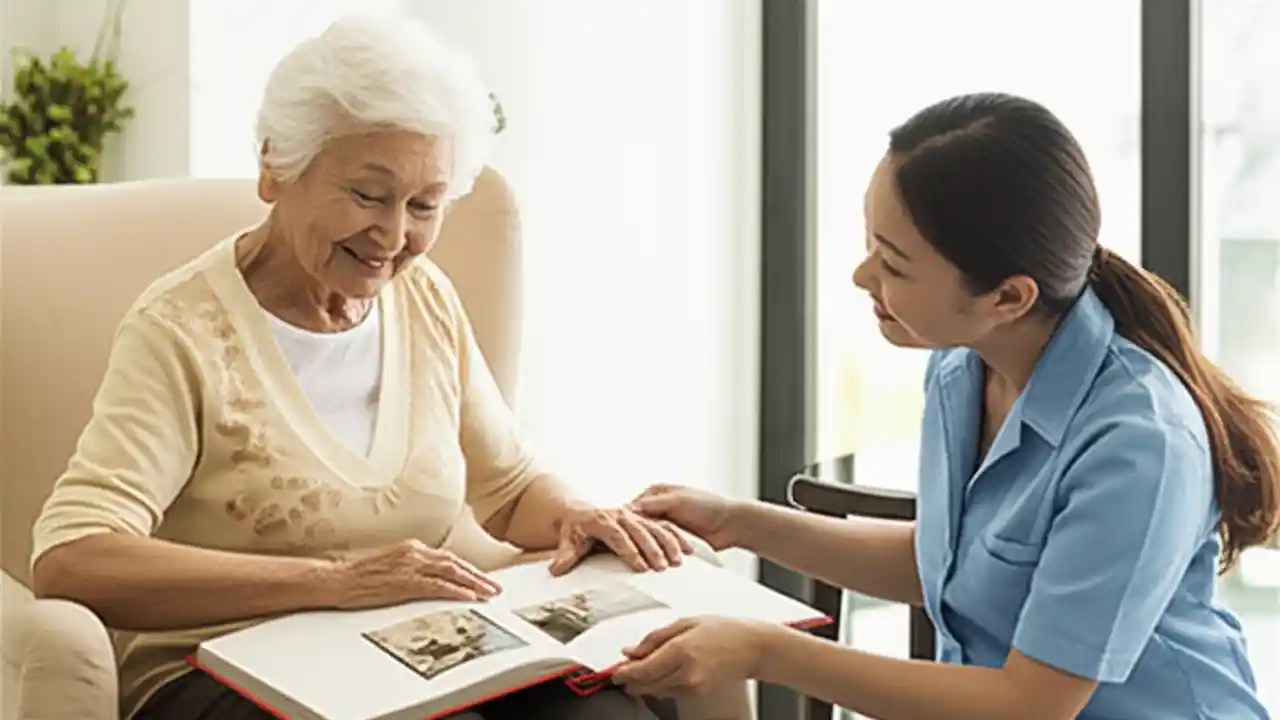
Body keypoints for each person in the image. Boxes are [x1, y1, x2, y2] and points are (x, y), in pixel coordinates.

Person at [28, 14, 690, 720]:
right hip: (221, 667)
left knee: (612, 710)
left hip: (414, 648)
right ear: (276, 167)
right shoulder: (179, 332)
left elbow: (510, 485)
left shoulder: (423, 297)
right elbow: (76, 556)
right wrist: (337, 582)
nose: (394, 236)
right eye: (368, 195)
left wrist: (578, 516)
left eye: (425, 205)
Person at [616, 92, 1279, 719]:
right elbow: (949, 564)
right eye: (870, 244)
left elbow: (1030, 705)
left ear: (1008, 298)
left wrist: (765, 650)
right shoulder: (965, 368)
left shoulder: (1140, 444)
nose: (861, 276)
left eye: (894, 265)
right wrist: (737, 523)